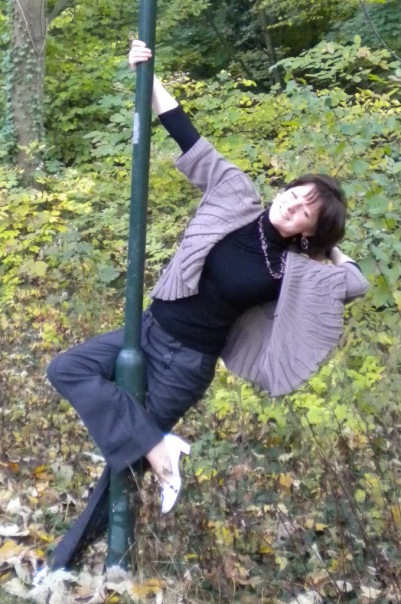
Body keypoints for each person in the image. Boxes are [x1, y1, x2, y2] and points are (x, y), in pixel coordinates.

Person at [47, 40, 369, 533]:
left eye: (307, 211)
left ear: (310, 231)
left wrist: (329, 250)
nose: (292, 204)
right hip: (147, 330)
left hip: (186, 364)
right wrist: (148, 73)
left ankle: (64, 564)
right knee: (67, 368)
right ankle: (159, 445)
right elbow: (184, 133)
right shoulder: (235, 192)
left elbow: (355, 283)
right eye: (295, 193)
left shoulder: (293, 270)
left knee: (119, 472)